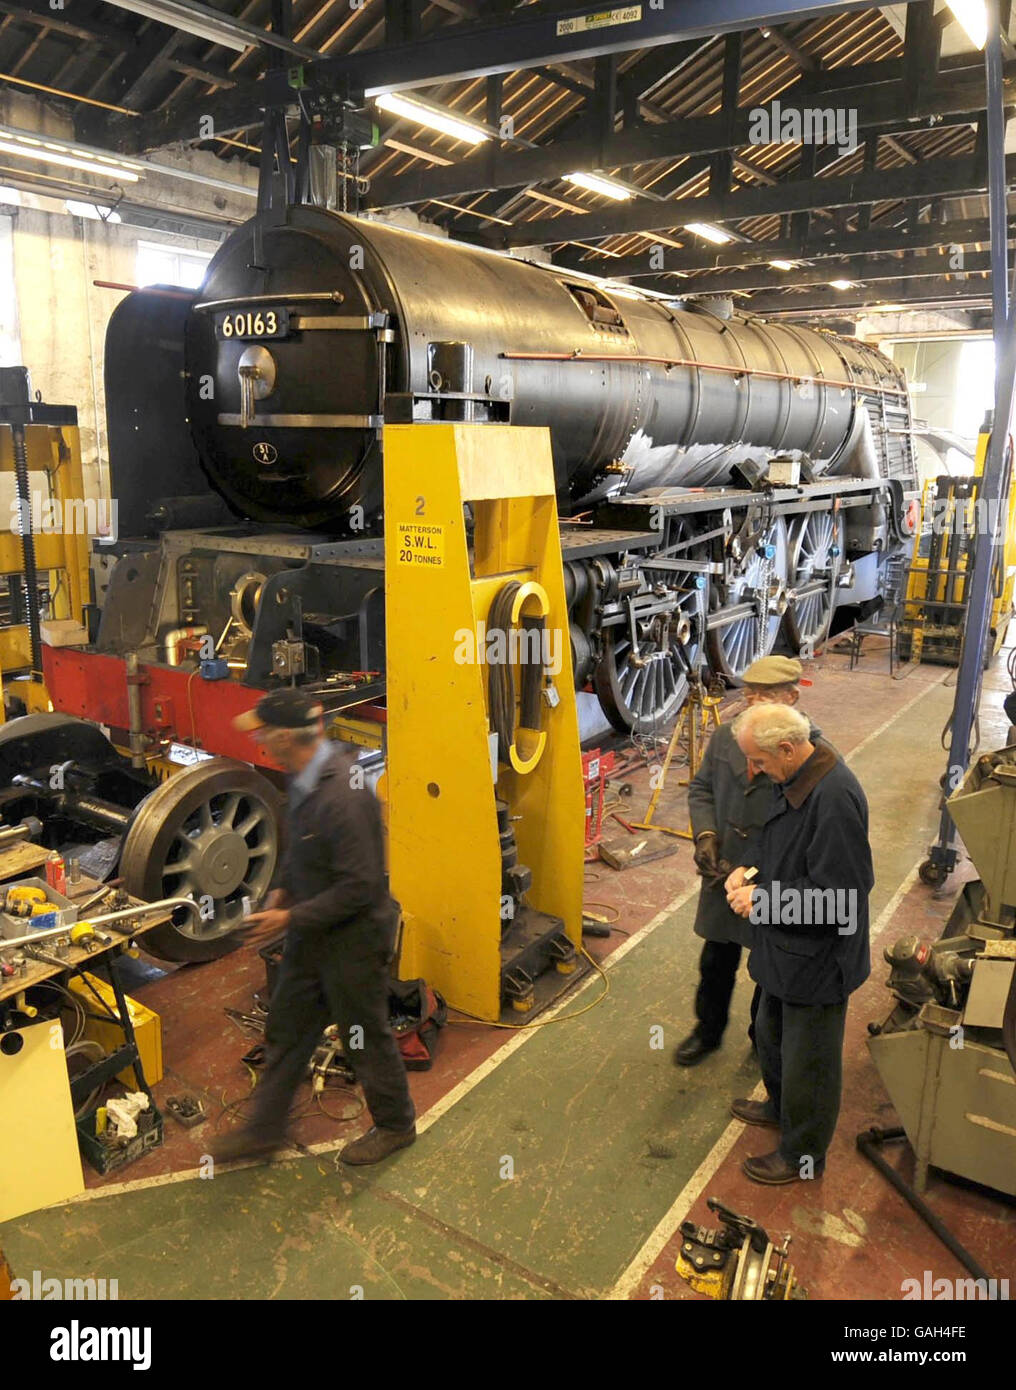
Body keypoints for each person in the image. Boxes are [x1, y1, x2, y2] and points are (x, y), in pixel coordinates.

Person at [214, 688, 416, 1166]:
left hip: (354, 939)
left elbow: (362, 887)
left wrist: (288, 917)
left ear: (286, 736)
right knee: (287, 1028)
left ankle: (396, 1126)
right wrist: (283, 890)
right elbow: (305, 850)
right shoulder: (304, 777)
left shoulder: (343, 793)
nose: (260, 739)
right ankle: (264, 1132)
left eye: (265, 731)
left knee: (364, 1035)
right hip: (313, 934)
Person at [725, 703, 873, 1185]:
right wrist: (747, 870)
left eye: (761, 762)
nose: (754, 771)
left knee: (810, 1063)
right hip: (784, 951)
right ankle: (780, 1107)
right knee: (771, 1039)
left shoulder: (833, 798)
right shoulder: (795, 776)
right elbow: (774, 840)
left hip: (818, 961)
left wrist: (763, 901)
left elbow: (842, 901)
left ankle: (803, 1154)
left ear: (786, 749)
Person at [674, 656, 815, 1066]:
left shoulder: (802, 753)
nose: (754, 703)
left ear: (792, 696)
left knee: (769, 968)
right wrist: (706, 836)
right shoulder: (725, 738)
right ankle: (708, 1031)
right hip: (723, 872)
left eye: (767, 696)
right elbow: (701, 788)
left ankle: (763, 1041)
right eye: (750, 694)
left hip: (771, 880)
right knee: (716, 960)